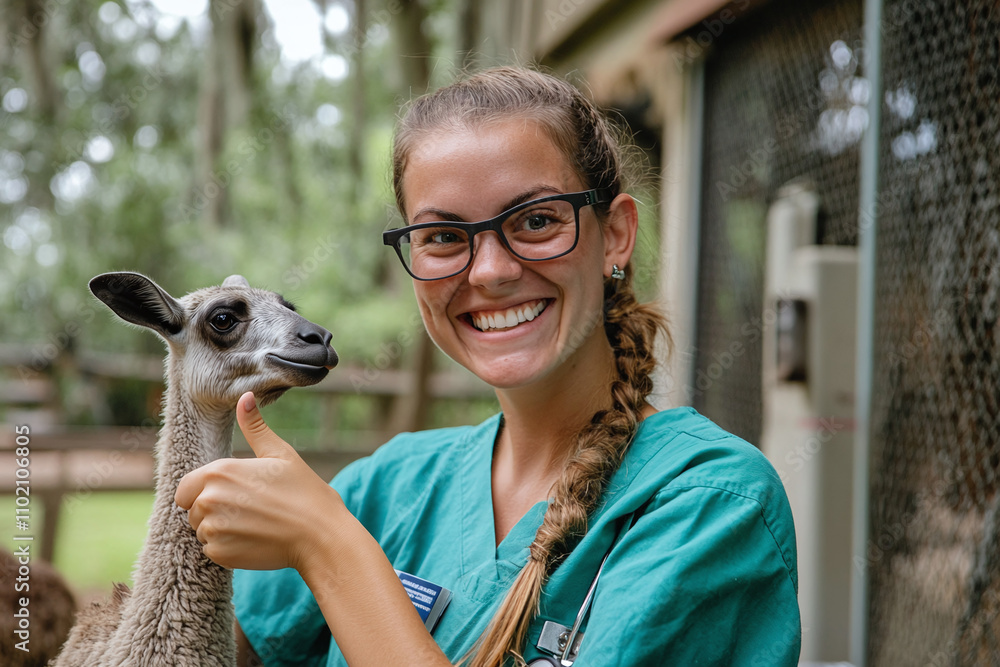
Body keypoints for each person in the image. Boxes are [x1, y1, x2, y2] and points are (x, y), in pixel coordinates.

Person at [175, 66, 801, 666]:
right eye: (444, 237)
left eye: (535, 221)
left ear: (614, 234)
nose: (491, 271)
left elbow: (328, 542)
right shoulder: (390, 489)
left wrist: (328, 549)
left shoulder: (709, 505)